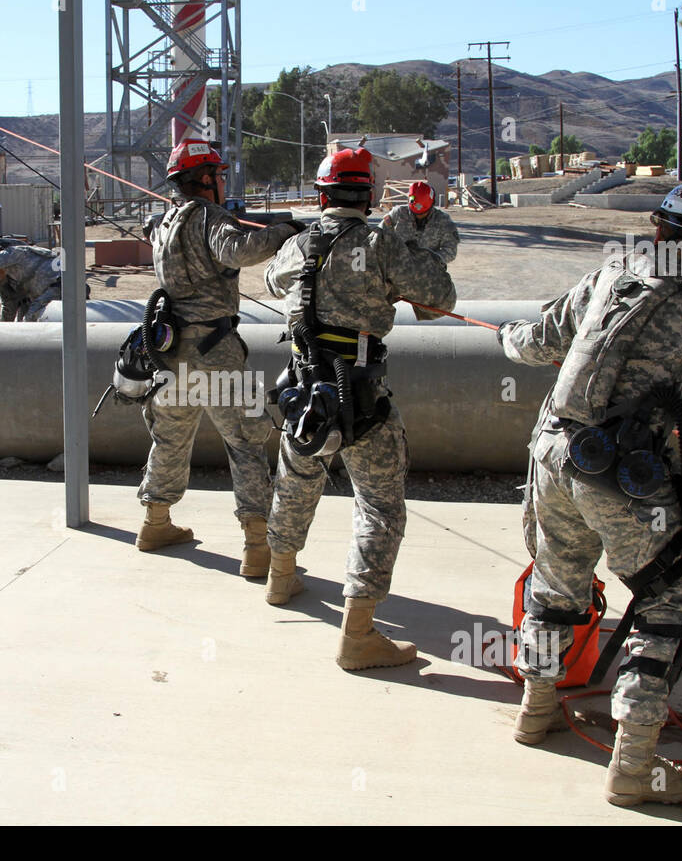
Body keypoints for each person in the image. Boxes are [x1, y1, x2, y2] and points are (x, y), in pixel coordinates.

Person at [497, 182, 682, 807]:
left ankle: (535, 712)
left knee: (556, 584)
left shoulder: (610, 276)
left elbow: (537, 340)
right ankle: (633, 767)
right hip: (621, 477)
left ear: (658, 230)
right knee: (664, 602)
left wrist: (505, 335)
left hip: (552, 456)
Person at [262, 147, 456, 670]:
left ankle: (280, 579)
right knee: (380, 508)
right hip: (361, 398)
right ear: (369, 194)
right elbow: (440, 297)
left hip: (304, 393)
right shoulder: (382, 244)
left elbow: (270, 282)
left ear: (323, 193)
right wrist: (414, 253)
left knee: (295, 480)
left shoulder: (298, 245)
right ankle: (359, 633)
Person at [138, 139, 304, 574]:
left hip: (171, 353)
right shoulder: (211, 216)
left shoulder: (165, 222)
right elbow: (239, 251)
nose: (222, 181)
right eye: (217, 174)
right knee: (247, 441)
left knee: (170, 436)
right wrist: (285, 234)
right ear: (205, 179)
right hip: (218, 351)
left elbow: (150, 231)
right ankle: (257, 546)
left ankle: (155, 522)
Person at [382, 180, 460, 268]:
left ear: (431, 206)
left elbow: (450, 250)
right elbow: (379, 235)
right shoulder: (398, 213)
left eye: (423, 213)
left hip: (429, 271)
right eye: (415, 213)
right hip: (399, 269)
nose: (419, 216)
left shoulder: (443, 221)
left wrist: (428, 260)